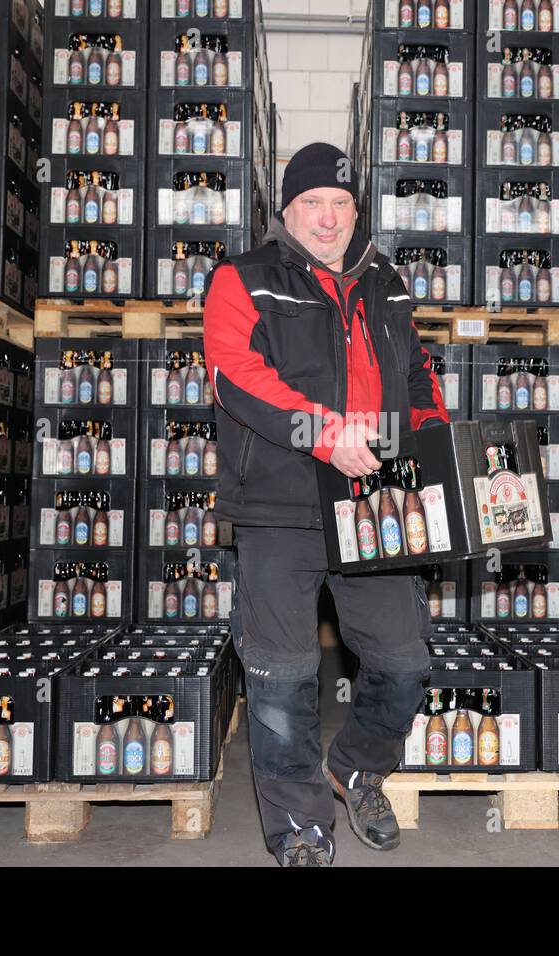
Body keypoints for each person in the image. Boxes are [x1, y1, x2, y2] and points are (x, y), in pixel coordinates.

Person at [203, 142, 449, 866]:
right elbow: (236, 377)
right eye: (313, 202)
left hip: (374, 501)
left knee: (404, 662)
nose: (329, 216)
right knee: (281, 678)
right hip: (278, 507)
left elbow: (421, 379)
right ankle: (300, 826)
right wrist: (324, 433)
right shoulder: (243, 278)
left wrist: (431, 448)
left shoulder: (388, 284)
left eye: (341, 203)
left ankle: (357, 767)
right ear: (286, 210)